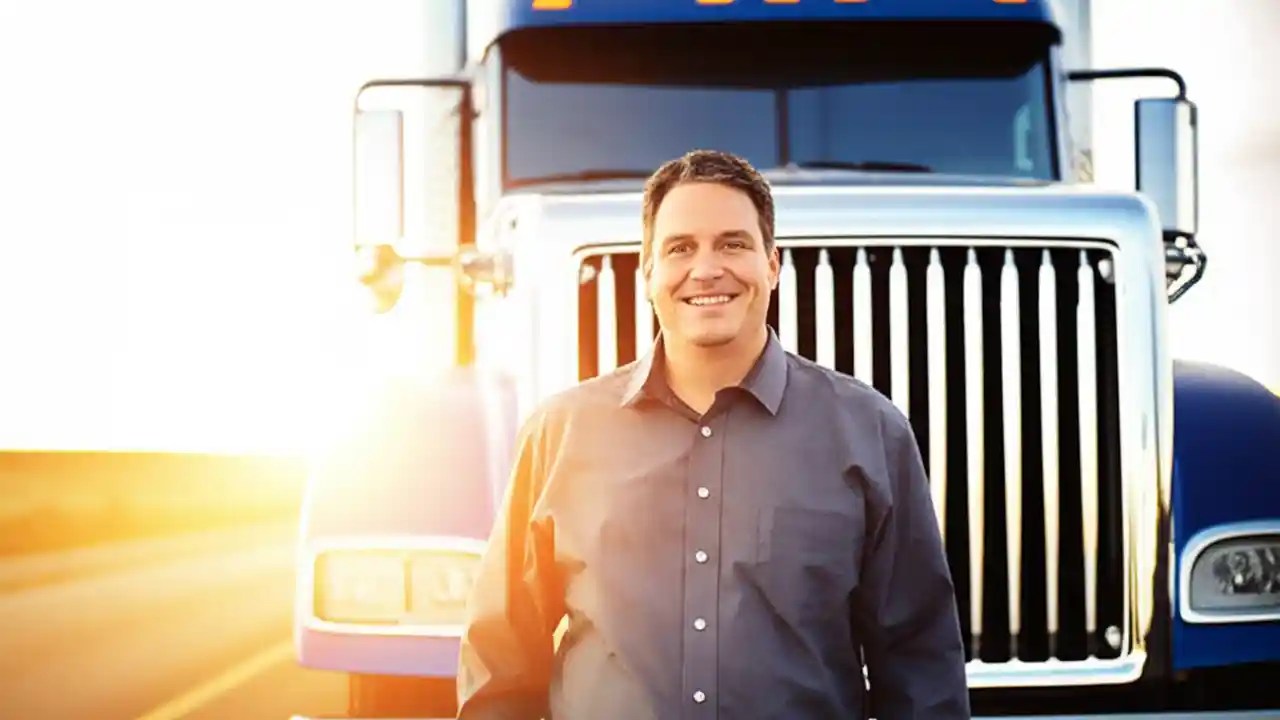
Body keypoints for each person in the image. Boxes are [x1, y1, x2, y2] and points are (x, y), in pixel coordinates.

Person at [456, 149, 970, 719]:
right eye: (680, 248)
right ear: (648, 271)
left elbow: (920, 668)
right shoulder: (560, 434)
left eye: (733, 244)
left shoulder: (871, 432)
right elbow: (500, 661)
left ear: (772, 265)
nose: (706, 269)